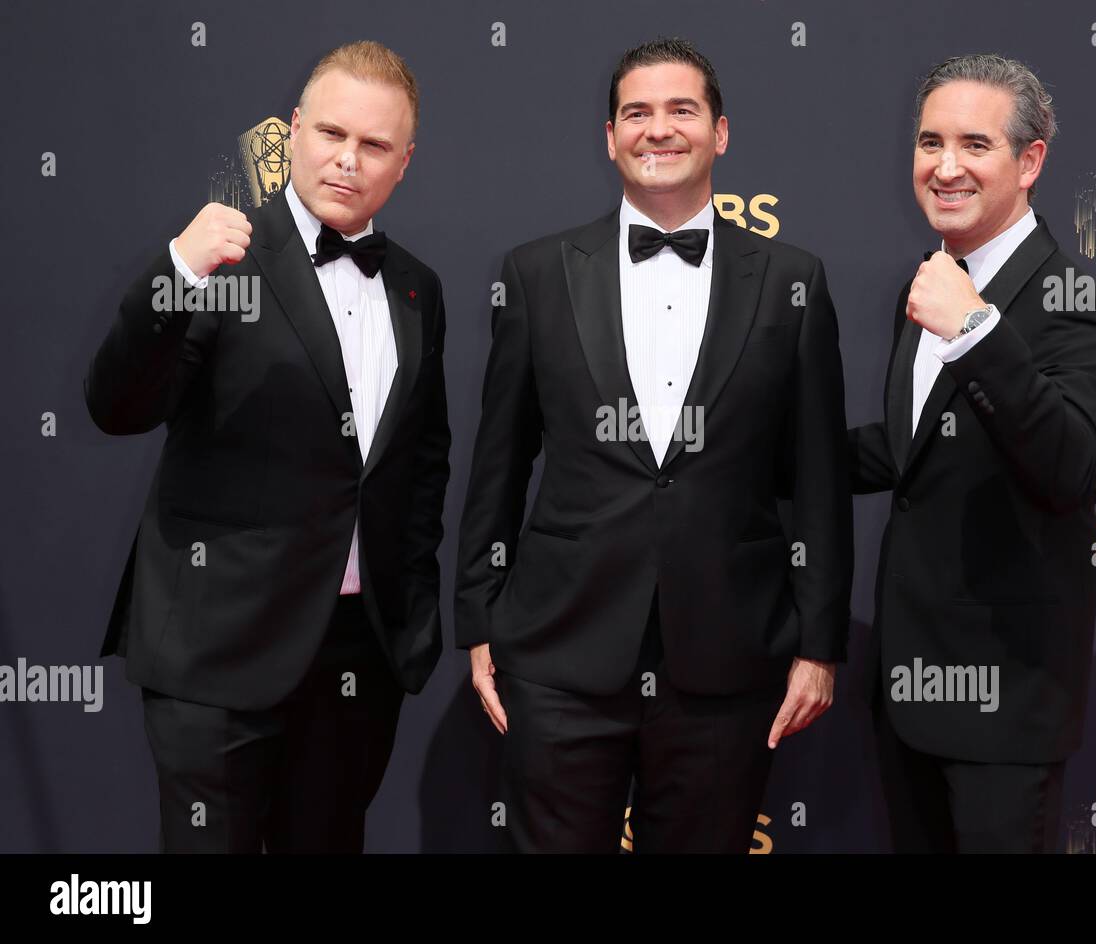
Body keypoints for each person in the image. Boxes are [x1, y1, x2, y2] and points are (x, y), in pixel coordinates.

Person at [455, 37, 852, 853]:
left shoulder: (792, 280)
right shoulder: (535, 273)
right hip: (560, 650)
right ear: (610, 136)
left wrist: (819, 644)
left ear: (721, 132)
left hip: (730, 656)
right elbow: (498, 462)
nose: (658, 129)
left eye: (681, 110)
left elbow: (818, 477)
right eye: (637, 112)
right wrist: (478, 620)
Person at [85, 40, 451, 853]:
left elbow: (422, 465)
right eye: (331, 134)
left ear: (405, 163)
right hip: (218, 653)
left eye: (375, 145)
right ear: (293, 132)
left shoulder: (418, 287)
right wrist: (177, 271)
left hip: (359, 659)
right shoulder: (223, 258)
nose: (348, 161)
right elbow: (117, 406)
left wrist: (410, 621)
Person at [848, 54, 1096, 852]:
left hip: (1007, 706)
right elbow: (914, 451)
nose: (945, 166)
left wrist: (975, 330)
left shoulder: (1074, 300)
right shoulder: (935, 276)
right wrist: (761, 452)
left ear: (1029, 161)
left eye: (974, 144)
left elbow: (1069, 466)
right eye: (930, 142)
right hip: (908, 692)